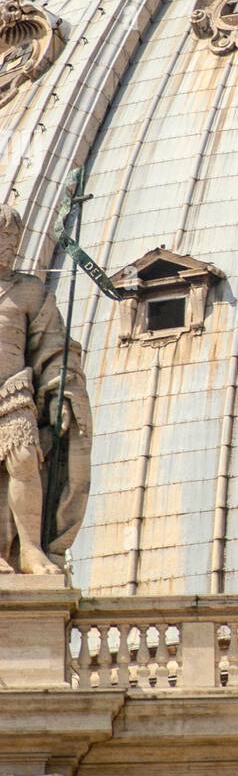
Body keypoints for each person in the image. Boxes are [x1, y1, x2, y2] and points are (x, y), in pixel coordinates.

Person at [0, 201, 91, 574]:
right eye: (2, 235)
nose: (8, 244)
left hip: (12, 394)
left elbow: (54, 348)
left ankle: (31, 550)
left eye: (13, 237)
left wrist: (60, 392)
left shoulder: (29, 292)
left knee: (24, 463)